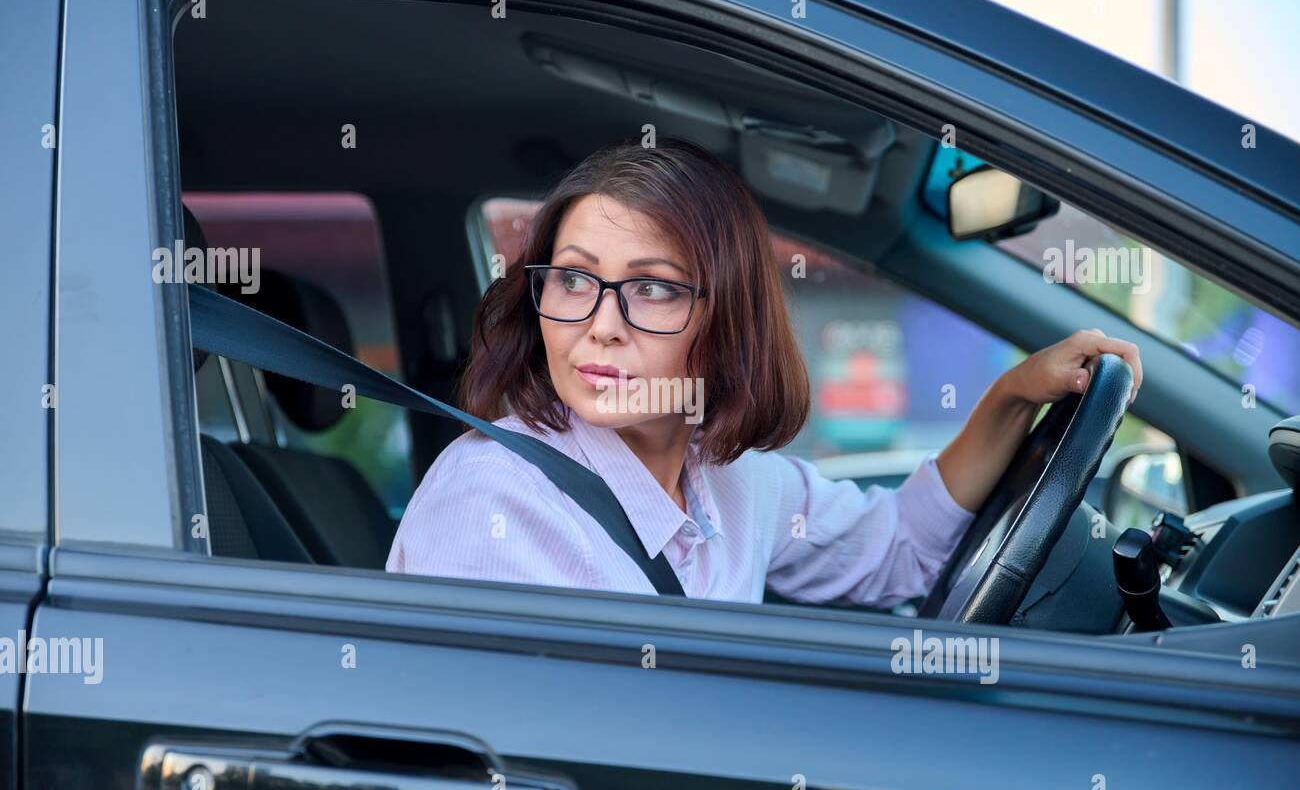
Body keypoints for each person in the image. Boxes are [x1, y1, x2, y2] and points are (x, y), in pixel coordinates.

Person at [386, 137, 1142, 606]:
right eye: (574, 280)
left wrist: (1012, 394)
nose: (600, 325)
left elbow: (902, 549)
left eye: (651, 287)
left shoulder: (731, 479)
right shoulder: (490, 498)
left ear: (727, 321)